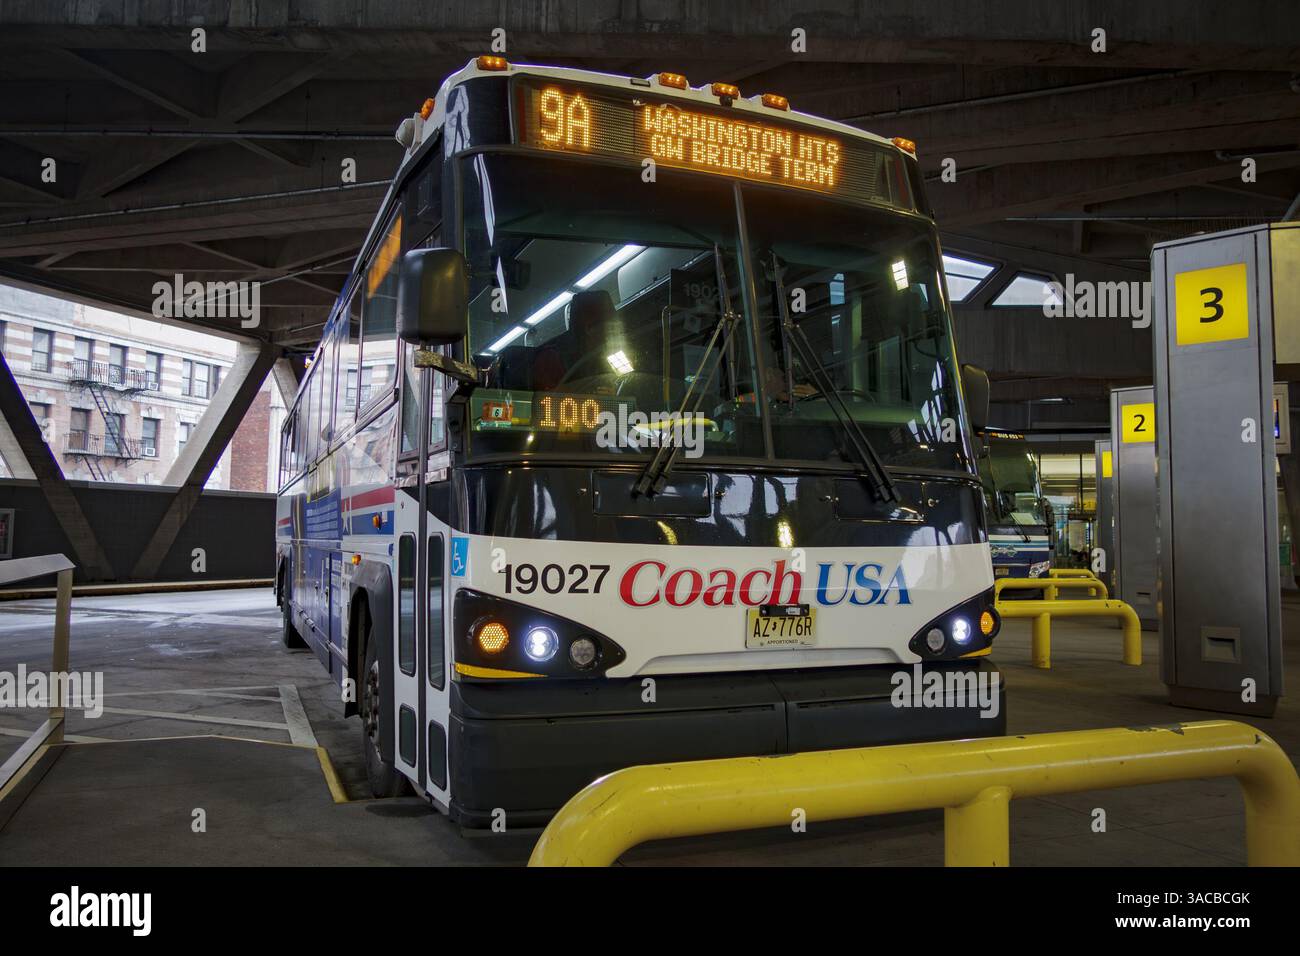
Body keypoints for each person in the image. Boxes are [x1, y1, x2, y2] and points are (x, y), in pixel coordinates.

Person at [532, 289, 617, 391]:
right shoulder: (551, 359)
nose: (615, 334)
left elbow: (624, 387)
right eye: (610, 328)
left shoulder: (609, 358)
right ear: (589, 328)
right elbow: (547, 400)